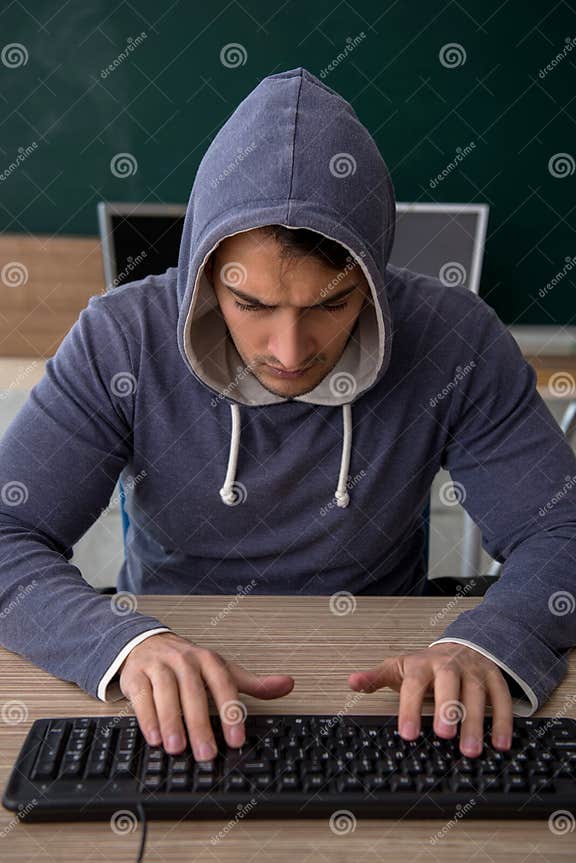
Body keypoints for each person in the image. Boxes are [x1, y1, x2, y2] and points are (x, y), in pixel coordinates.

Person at [1, 68, 575, 765]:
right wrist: (123, 645)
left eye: (331, 304)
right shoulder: (120, 338)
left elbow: (559, 526)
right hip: (168, 681)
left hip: (388, 695)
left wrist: (494, 637)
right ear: (206, 272)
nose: (290, 351)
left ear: (374, 276)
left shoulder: (454, 338)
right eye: (252, 305)